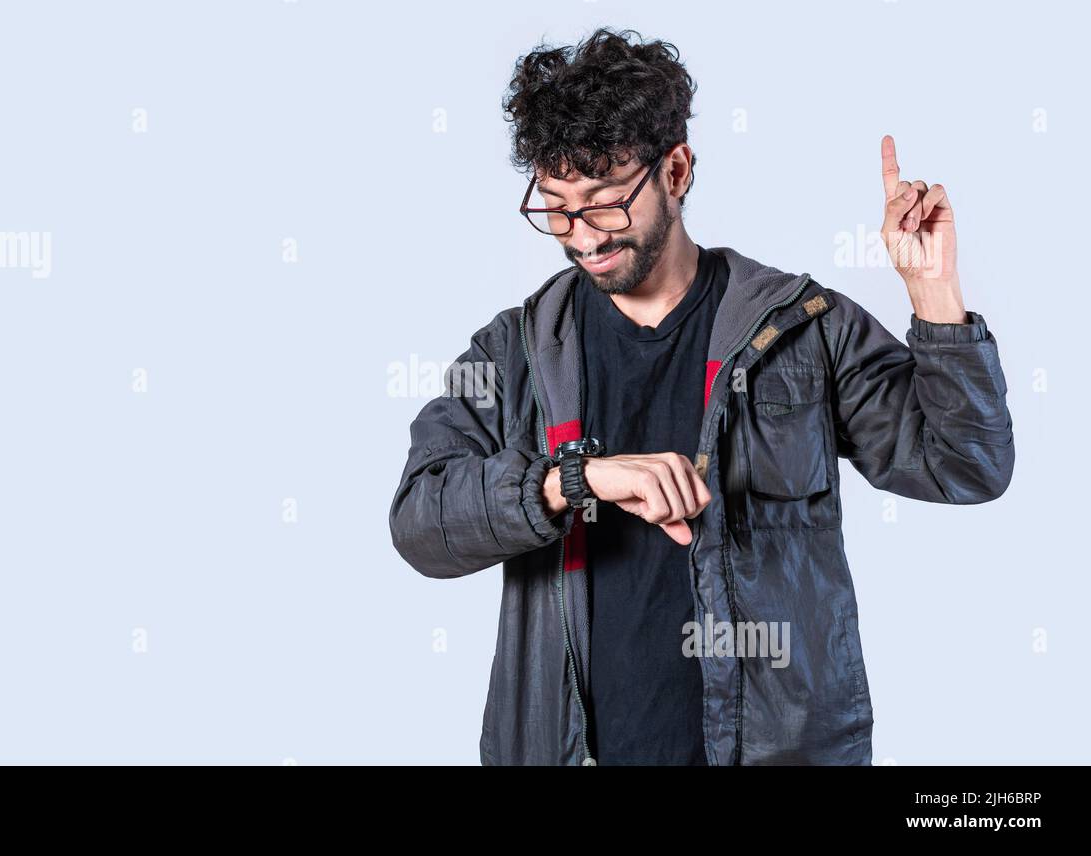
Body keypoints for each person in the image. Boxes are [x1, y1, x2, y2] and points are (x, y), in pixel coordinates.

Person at [387, 27, 1014, 765]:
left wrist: (934, 292)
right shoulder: (514, 350)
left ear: (677, 170)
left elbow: (965, 466)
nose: (580, 236)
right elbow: (421, 521)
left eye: (604, 202)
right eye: (555, 206)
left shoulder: (802, 327)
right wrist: (573, 480)